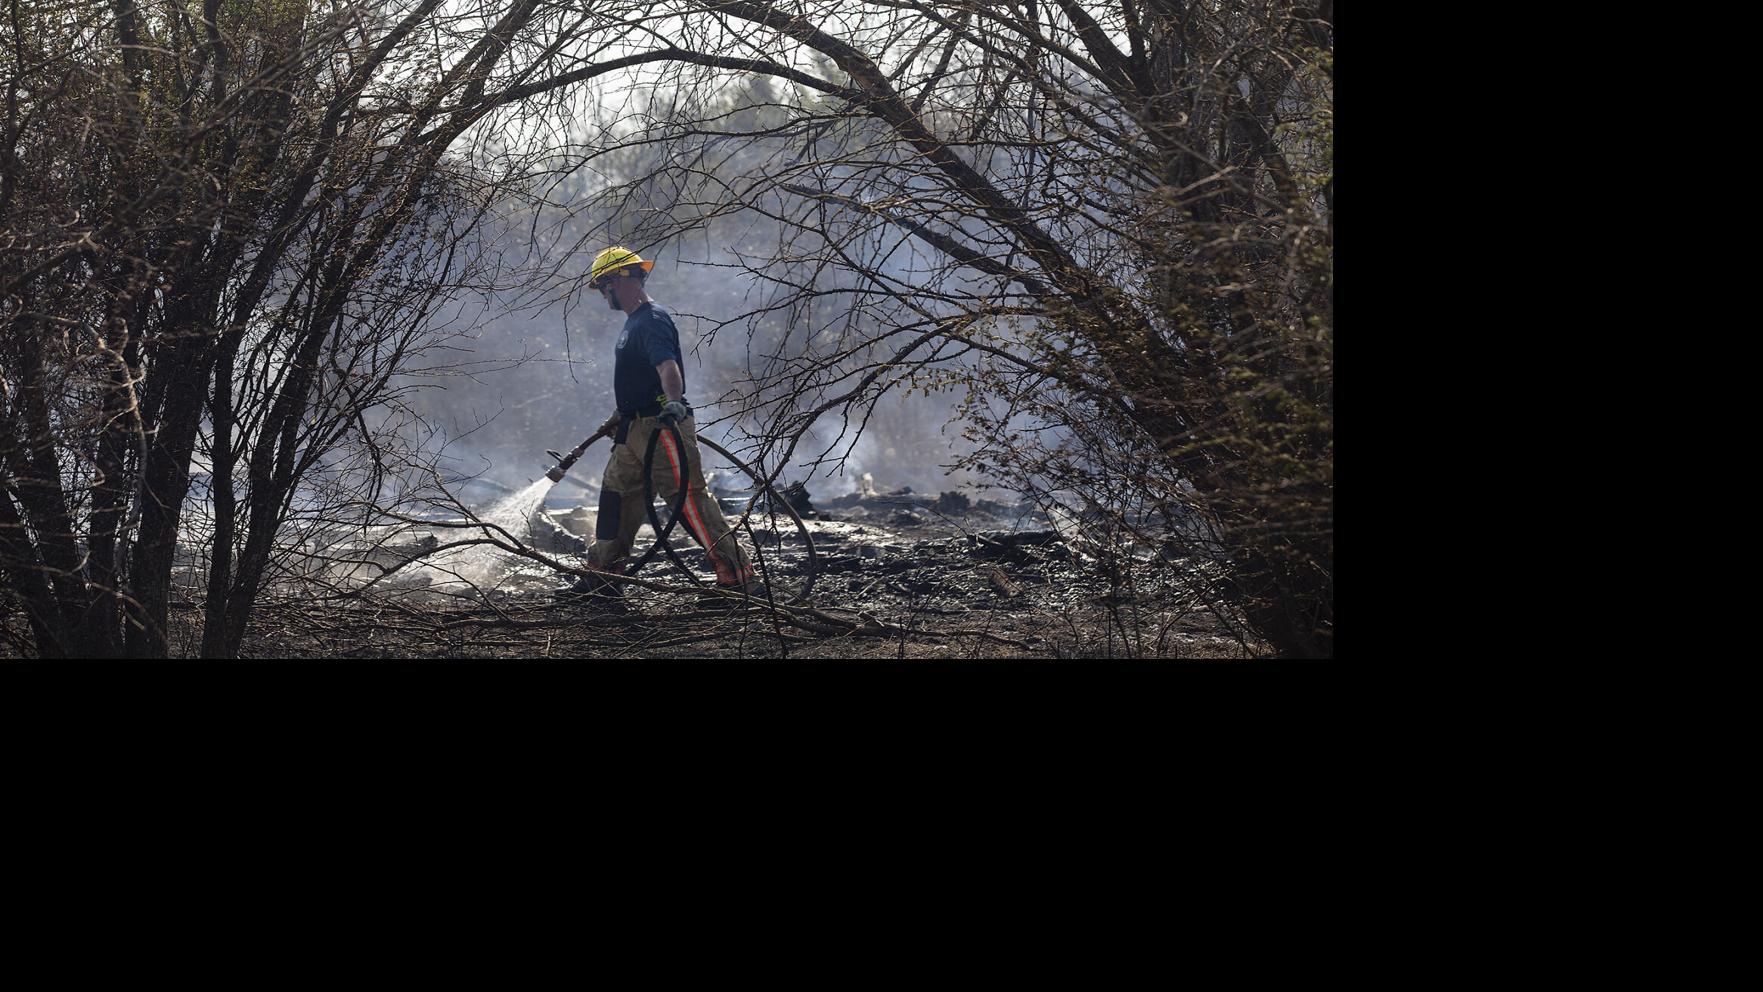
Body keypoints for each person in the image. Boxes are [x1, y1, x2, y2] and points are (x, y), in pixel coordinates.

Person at [561, 247, 763, 606]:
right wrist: (621, 413)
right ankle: (603, 577)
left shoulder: (652, 319)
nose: (603, 294)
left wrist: (673, 402)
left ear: (618, 280)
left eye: (603, 285)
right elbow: (640, 379)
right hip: (633, 429)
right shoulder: (633, 323)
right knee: (616, 497)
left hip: (661, 426)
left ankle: (738, 579)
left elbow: (667, 367)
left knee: (688, 501)